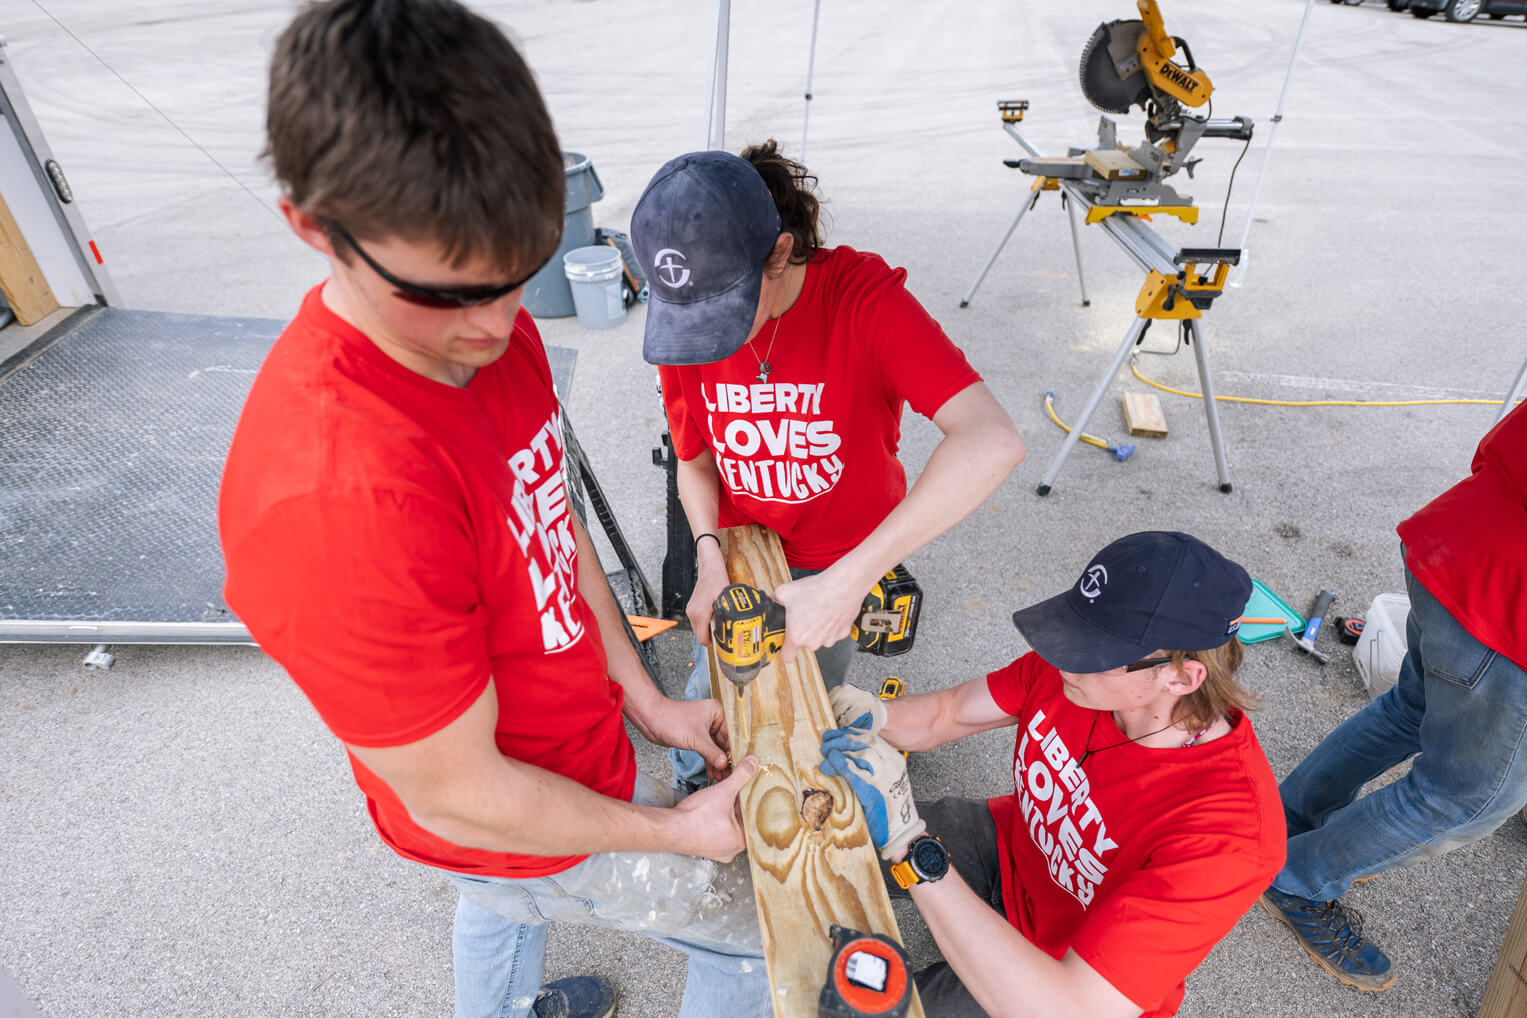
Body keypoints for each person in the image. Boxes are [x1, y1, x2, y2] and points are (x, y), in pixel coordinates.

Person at [217, 4, 771, 1018]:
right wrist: (676, 833)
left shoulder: (478, 327)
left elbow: (547, 528)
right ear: (311, 225)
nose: (498, 325)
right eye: (451, 293)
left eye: (519, 273)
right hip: (502, 811)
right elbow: (458, 793)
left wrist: (645, 701)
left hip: (562, 763)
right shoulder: (335, 503)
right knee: (752, 937)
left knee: (499, 900)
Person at [630, 142, 1026, 794]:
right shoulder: (686, 323)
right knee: (715, 705)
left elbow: (991, 440)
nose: (704, 341)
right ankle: (696, 799)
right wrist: (705, 557)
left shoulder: (863, 300)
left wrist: (849, 583)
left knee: (805, 700)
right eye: (687, 320)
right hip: (738, 548)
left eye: (719, 313)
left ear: (780, 253)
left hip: (843, 557)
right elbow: (692, 460)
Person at [818, 531, 1286, 1017]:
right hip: (1011, 847)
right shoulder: (1080, 674)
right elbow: (949, 713)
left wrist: (908, 843)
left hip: (1061, 971)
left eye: (1095, 652)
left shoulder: (1232, 835)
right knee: (826, 818)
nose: (1065, 658)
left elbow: (1066, 1008)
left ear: (1181, 677)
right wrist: (878, 714)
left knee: (859, 1009)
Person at [1259, 402, 1527, 992]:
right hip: (1509, 613)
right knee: (1463, 800)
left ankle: (1291, 815)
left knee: (1413, 708)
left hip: (1453, 542)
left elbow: (1497, 446)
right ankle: (1295, 878)